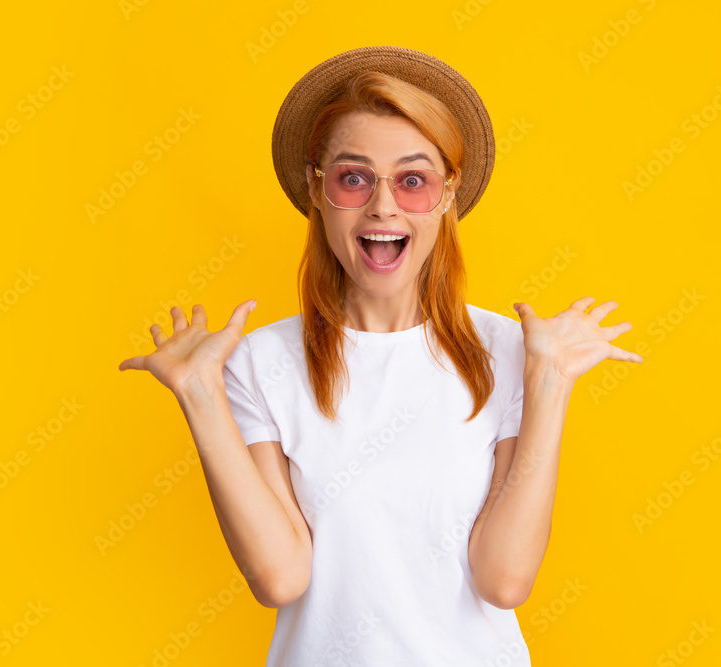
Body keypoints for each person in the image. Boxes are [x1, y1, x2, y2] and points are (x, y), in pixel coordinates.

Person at [119, 46, 643, 666]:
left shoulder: (511, 353)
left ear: (448, 196)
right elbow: (280, 578)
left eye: (413, 180)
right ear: (319, 190)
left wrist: (549, 384)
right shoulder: (260, 363)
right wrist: (199, 393)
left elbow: (504, 580)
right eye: (354, 177)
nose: (384, 206)